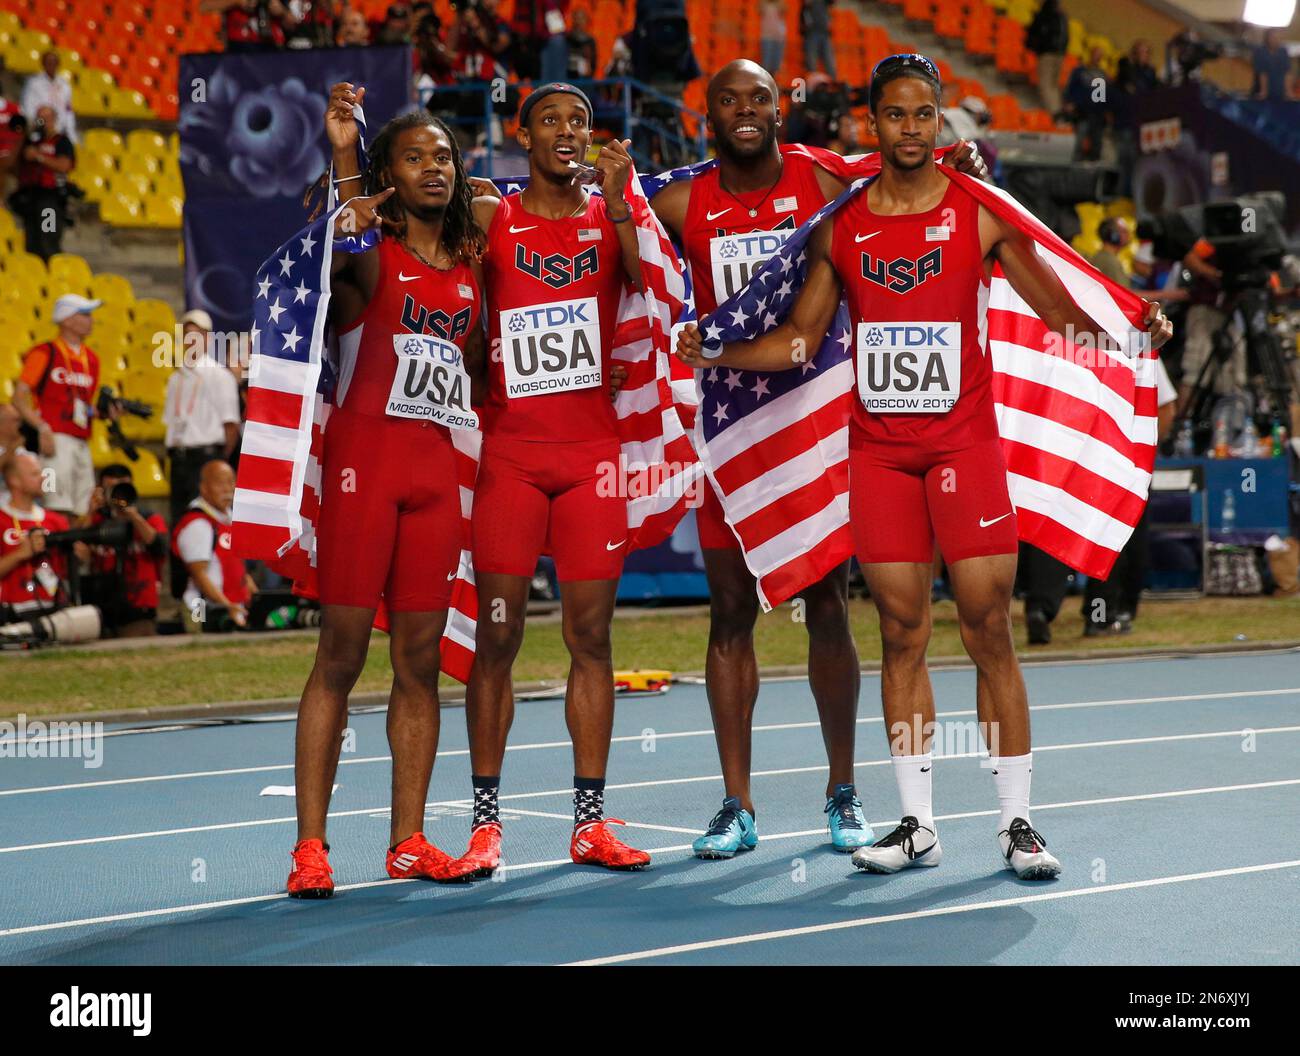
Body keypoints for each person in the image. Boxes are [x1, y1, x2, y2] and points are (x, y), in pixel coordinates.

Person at [677, 53, 1171, 880]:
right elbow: (802, 340)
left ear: (940, 120)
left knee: (988, 632)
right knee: (901, 635)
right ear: (873, 125)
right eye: (894, 116)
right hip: (879, 459)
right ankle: (917, 822)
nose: (909, 129)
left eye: (923, 114)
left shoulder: (979, 211)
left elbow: (1055, 309)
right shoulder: (841, 225)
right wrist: (718, 344)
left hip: (963, 452)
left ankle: (1016, 824)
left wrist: (1127, 333)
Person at [649, 59, 988, 858]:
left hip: (814, 418)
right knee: (729, 611)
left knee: (829, 606)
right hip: (731, 429)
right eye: (728, 100)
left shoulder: (826, 175)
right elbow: (595, 210)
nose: (745, 110)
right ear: (708, 113)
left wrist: (966, 163)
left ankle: (844, 792)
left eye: (759, 98)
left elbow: (916, 160)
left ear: (780, 107)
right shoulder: (681, 197)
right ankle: (736, 804)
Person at [284, 89, 492, 896]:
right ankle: (310, 848)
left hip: (434, 482)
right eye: (414, 157)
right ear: (388, 175)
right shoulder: (371, 256)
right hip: (362, 472)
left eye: (442, 156)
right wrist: (343, 156)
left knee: (419, 664)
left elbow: (469, 376)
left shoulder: (471, 267)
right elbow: (335, 242)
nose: (433, 167)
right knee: (339, 654)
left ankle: (407, 838)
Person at [454, 83, 650, 875]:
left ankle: (589, 823)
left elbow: (649, 283)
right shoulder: (490, 214)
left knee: (590, 637)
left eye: (579, 121)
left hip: (591, 458)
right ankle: (486, 823)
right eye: (550, 121)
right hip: (512, 455)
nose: (567, 132)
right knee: (497, 635)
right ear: (522, 134)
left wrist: (623, 202)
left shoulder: (612, 215)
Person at [163, 309, 242, 597]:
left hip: (205, 457)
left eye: (198, 333)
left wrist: (217, 464)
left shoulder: (219, 376)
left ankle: (216, 593)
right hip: (181, 458)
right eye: (188, 334)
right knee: (181, 524)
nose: (192, 339)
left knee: (206, 524)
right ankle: (183, 595)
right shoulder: (176, 378)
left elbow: (230, 426)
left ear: (208, 339)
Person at [13, 294, 102, 519]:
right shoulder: (44, 353)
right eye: (85, 315)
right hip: (55, 441)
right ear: (67, 319)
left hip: (82, 440)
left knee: (84, 506)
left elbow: (82, 404)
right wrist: (42, 427)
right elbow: (19, 397)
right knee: (54, 502)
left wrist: (101, 412)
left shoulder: (92, 359)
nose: (91, 320)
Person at [78, 463, 168, 637]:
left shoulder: (149, 518)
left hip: (138, 606)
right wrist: (90, 511)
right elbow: (78, 551)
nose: (118, 494)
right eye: (112, 488)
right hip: (101, 604)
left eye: (123, 487)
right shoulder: (96, 520)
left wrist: (133, 515)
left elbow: (159, 547)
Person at [172, 459, 255, 634]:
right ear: (204, 488)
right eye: (220, 483)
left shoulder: (228, 517)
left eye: (231, 482)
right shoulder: (197, 524)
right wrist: (226, 605)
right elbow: (199, 575)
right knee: (201, 645)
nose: (227, 489)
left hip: (229, 605)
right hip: (200, 605)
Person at [0, 451, 72, 623]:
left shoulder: (56, 520)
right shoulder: (1, 519)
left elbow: (71, 567)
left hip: (55, 611)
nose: (42, 478)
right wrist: (20, 554)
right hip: (10, 614)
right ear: (14, 481)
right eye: (34, 474)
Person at [12, 105, 75, 261]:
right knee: (31, 242)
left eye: (46, 119)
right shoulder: (31, 141)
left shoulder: (61, 141)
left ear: (53, 120)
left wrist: (39, 157)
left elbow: (64, 165)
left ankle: (52, 272)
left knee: (49, 237)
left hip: (50, 199)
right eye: (40, 119)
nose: (42, 123)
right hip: (31, 197)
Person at [1064, 46, 1110, 162]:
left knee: (1097, 143)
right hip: (1082, 112)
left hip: (1097, 114)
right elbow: (1071, 88)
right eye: (1095, 54)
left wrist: (1105, 111)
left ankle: (1093, 166)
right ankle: (1075, 163)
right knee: (1078, 141)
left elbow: (1104, 96)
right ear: (1090, 54)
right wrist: (1070, 102)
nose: (1097, 57)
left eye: (1100, 55)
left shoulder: (1103, 74)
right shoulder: (1080, 71)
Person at [20, 51, 76, 145]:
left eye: (54, 62)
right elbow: (28, 109)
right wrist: (39, 125)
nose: (51, 65)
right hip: (40, 130)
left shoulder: (64, 85)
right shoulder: (34, 83)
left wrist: (70, 130)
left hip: (60, 131)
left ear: (58, 64)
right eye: (48, 62)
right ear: (43, 64)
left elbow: (68, 110)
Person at [1025, 0, 1069, 116]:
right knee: (1053, 85)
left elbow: (1034, 33)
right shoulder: (1062, 18)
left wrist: (1035, 47)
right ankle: (1058, 110)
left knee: (1045, 84)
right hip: (1060, 54)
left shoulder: (1045, 16)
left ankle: (1055, 113)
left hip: (1047, 54)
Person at [1252, 29, 1294, 102]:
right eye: (1274, 38)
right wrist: (1263, 92)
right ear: (1267, 39)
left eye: (1278, 38)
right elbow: (1262, 73)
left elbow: (1287, 73)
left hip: (1280, 91)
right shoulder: (1260, 52)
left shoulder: (1283, 52)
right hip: (1263, 90)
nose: (1276, 40)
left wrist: (1288, 91)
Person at [800, 0, 835, 79]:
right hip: (811, 32)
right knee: (811, 63)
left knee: (829, 63)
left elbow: (832, 2)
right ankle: (813, 84)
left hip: (824, 32)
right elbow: (804, 10)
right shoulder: (807, 5)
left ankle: (832, 85)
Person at [760, 0, 786, 76]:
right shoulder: (764, 4)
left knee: (777, 65)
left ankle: (774, 82)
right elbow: (759, 9)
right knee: (766, 63)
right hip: (767, 36)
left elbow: (785, 10)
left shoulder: (780, 4)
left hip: (779, 37)